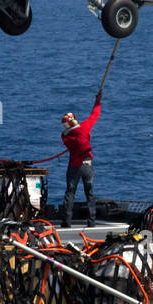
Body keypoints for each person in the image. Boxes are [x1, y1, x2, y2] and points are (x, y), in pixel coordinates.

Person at [60, 93, 101, 228]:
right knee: (90, 193)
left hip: (74, 166)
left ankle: (66, 221)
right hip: (87, 164)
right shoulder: (85, 127)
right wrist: (97, 101)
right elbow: (95, 115)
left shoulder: (65, 136)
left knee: (70, 193)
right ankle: (92, 221)